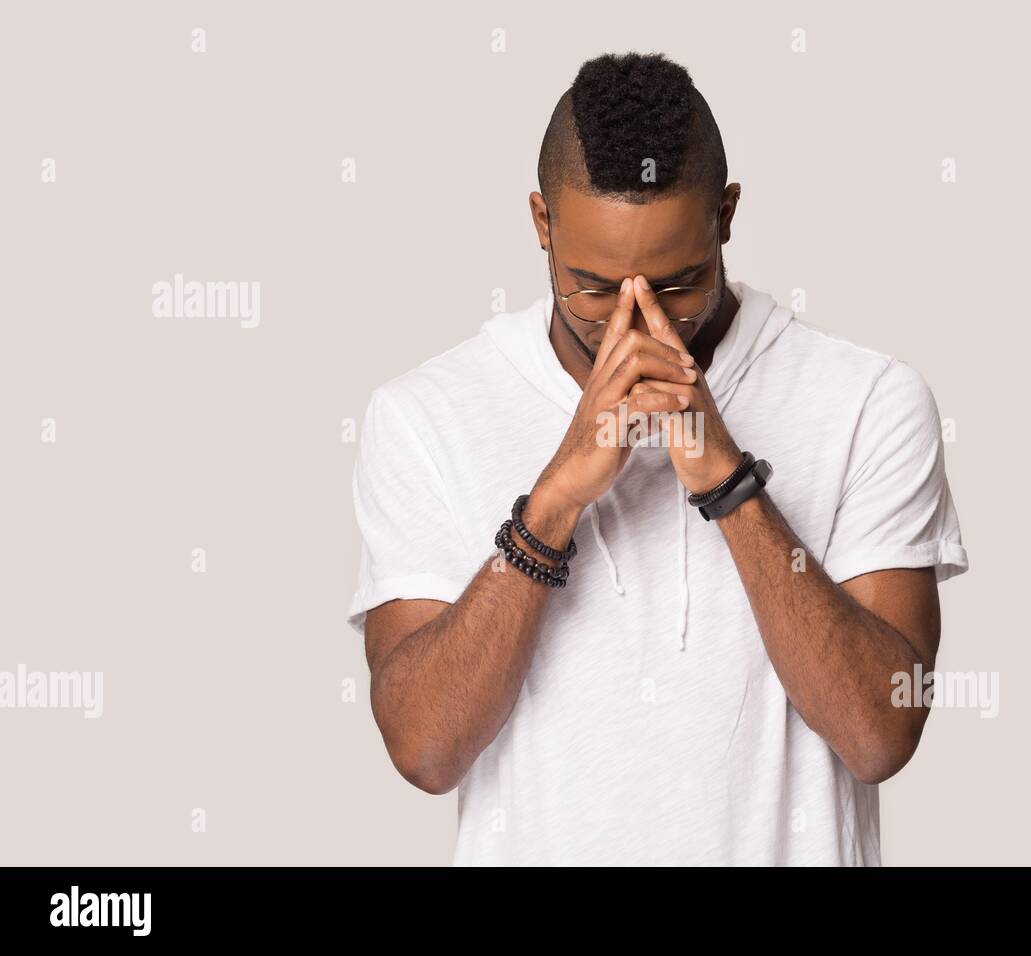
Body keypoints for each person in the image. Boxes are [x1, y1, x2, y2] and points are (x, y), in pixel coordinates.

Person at [347, 51, 969, 865]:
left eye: (677, 283)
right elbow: (424, 750)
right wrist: (553, 504)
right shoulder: (424, 414)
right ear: (542, 224)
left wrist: (730, 486)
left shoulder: (870, 399)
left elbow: (882, 735)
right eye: (595, 288)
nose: (637, 321)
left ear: (727, 217)